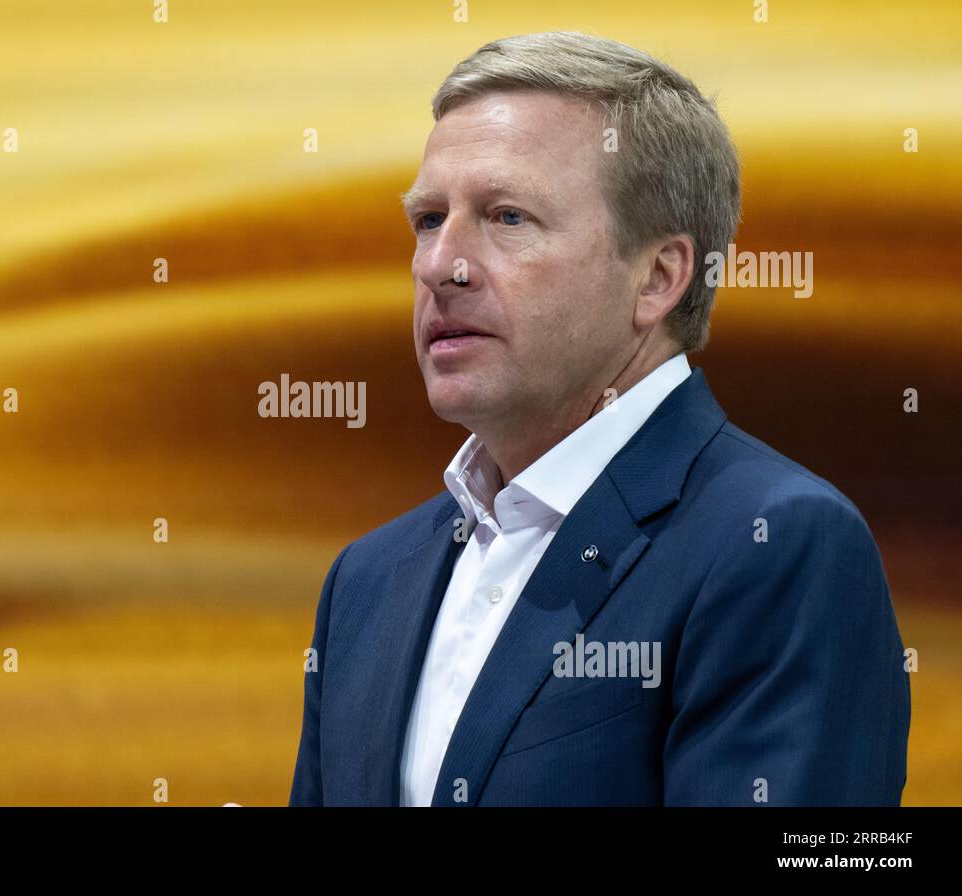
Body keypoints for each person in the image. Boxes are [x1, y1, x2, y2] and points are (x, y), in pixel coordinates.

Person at [288, 31, 910, 806]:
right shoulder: (366, 581)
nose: (436, 266)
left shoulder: (780, 546)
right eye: (426, 219)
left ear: (657, 277)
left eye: (506, 217)